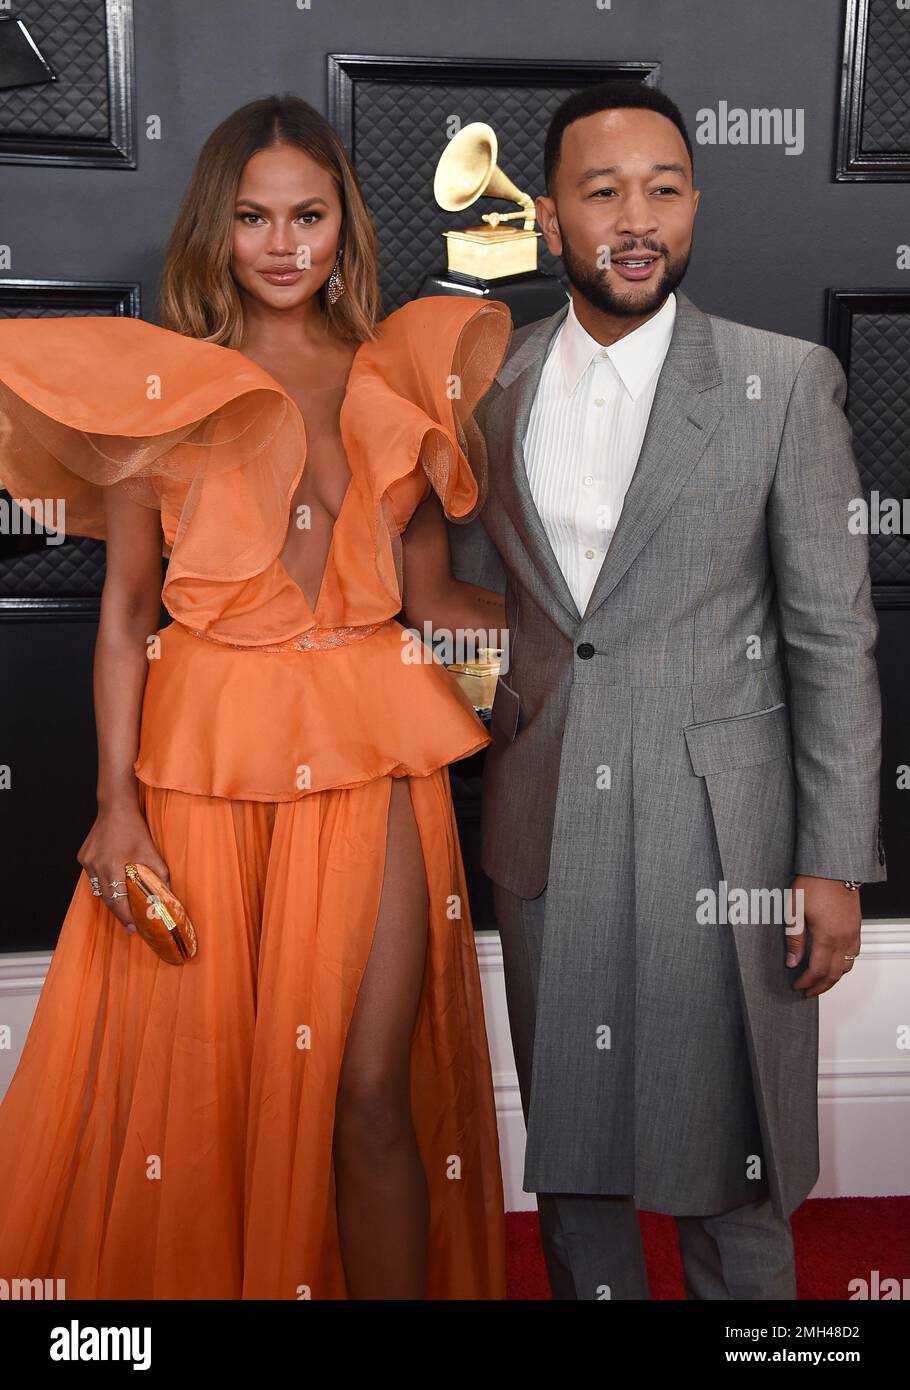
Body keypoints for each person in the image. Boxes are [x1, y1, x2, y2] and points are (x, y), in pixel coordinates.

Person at [0, 95, 513, 1300]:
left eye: (308, 215)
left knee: (371, 1083)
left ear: (344, 229)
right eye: (252, 217)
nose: (282, 244)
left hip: (373, 753)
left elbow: (432, 597)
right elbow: (128, 613)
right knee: (209, 1080)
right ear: (214, 230)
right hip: (200, 765)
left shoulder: (399, 375)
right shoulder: (166, 387)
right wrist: (113, 806)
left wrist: (617, 638)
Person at [448, 80, 886, 1300]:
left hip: (722, 835)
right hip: (544, 826)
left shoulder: (780, 382)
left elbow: (830, 636)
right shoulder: (493, 389)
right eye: (602, 193)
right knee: (576, 1163)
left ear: (693, 203)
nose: (637, 218)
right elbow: (482, 613)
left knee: (727, 1162)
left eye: (664, 188)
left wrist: (833, 859)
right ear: (548, 218)